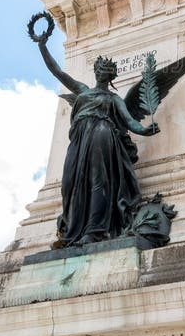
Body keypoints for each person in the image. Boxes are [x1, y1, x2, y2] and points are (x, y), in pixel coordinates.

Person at [37, 35, 159, 247]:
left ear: (110, 75)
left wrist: (146, 130)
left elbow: (131, 122)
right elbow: (58, 71)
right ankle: (73, 228)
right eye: (100, 69)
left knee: (98, 180)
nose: (102, 72)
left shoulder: (114, 99)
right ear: (96, 72)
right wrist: (42, 46)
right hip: (79, 137)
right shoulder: (83, 90)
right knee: (69, 182)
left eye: (106, 70)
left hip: (102, 133)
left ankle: (94, 230)